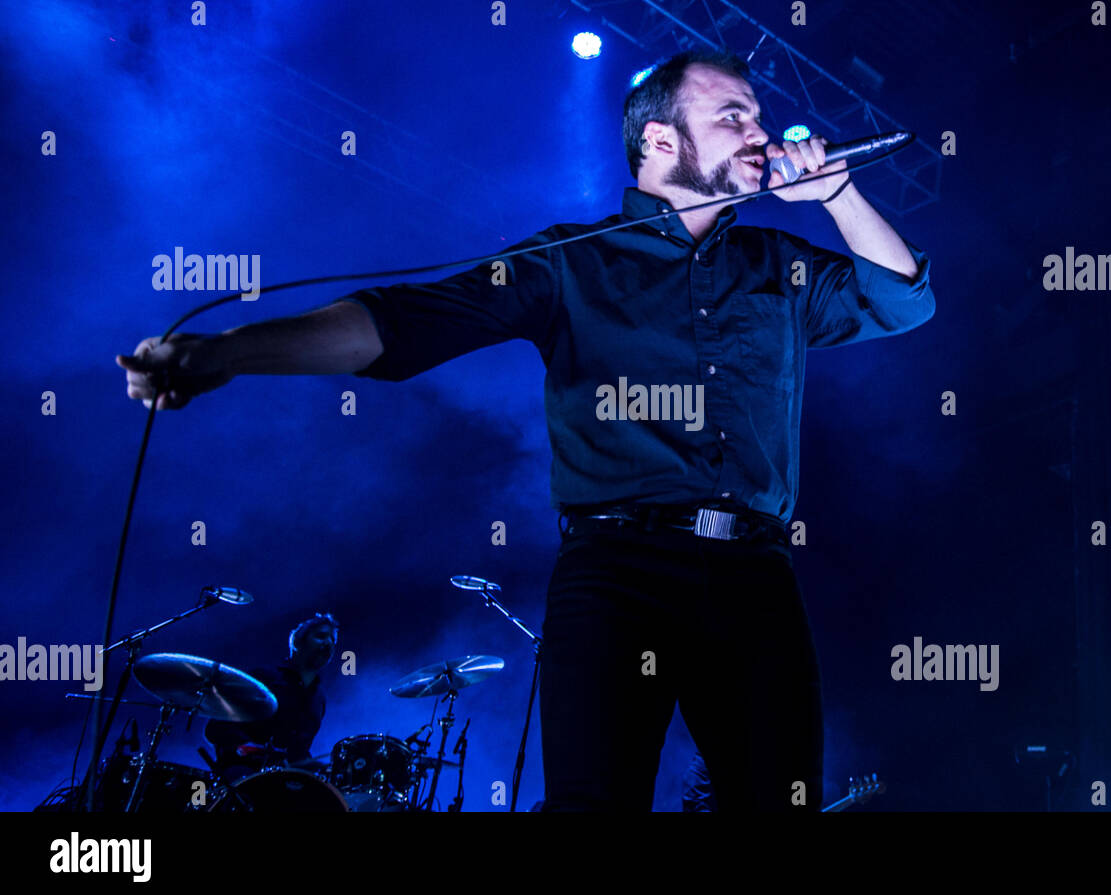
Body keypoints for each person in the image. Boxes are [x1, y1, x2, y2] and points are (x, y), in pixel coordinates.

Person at [117, 49, 935, 811]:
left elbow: (905, 299)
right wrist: (231, 351)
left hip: (755, 571)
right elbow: (406, 324)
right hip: (618, 571)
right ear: (659, 138)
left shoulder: (781, 264)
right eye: (734, 116)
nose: (761, 133)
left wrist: (837, 194)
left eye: (759, 116)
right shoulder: (570, 262)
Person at [204, 613, 338, 781]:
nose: (328, 643)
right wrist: (248, 748)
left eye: (333, 641)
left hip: (285, 779)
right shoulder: (262, 678)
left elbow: (298, 753)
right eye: (321, 636)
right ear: (297, 642)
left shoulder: (319, 699)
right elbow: (217, 727)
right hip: (244, 771)